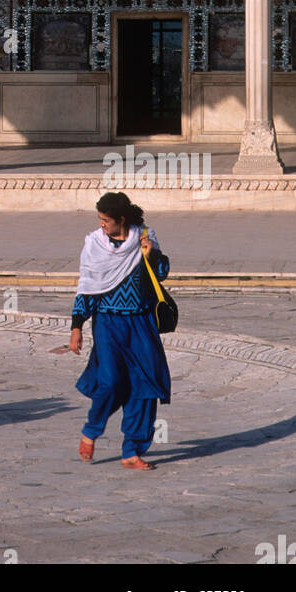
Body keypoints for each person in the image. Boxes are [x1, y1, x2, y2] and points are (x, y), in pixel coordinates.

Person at [69, 191, 171, 471]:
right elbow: (87, 287)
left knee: (145, 386)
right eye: (99, 219)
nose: (101, 224)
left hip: (141, 323)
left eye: (106, 220)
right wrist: (76, 327)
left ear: (121, 219)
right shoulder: (94, 245)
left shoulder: (144, 237)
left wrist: (151, 256)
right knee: (111, 382)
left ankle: (132, 450)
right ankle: (92, 429)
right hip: (108, 323)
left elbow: (162, 272)